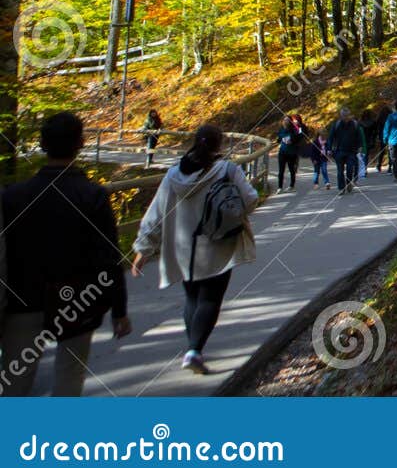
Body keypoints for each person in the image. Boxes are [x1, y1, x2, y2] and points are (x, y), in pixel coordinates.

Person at [0, 112, 132, 396]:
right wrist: (119, 310)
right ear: (80, 143)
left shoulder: (12, 196)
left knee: (14, 382)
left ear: (43, 144)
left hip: (22, 300)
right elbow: (109, 255)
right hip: (77, 299)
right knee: (69, 379)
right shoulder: (91, 195)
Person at [131, 124, 259, 375]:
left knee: (192, 297)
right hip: (218, 243)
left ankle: (193, 348)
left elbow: (156, 213)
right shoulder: (228, 170)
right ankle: (194, 350)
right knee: (210, 297)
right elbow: (251, 198)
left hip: (183, 247)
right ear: (219, 144)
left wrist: (142, 250)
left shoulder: (173, 175)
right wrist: (234, 213)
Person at [326, 108, 364, 195]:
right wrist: (329, 149)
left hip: (351, 151)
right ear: (341, 116)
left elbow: (359, 136)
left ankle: (349, 183)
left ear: (349, 115)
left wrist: (360, 146)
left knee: (350, 169)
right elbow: (331, 137)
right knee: (340, 170)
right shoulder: (336, 125)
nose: (346, 118)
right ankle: (341, 188)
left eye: (347, 116)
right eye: (344, 116)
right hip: (339, 151)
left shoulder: (354, 124)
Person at [275, 113, 308, 191]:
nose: (286, 122)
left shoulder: (294, 130)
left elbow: (300, 136)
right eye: (284, 120)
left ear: (290, 121)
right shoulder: (281, 129)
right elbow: (278, 139)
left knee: (292, 170)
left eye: (287, 120)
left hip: (292, 152)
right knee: (281, 170)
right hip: (282, 152)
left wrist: (292, 141)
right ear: (282, 121)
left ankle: (291, 186)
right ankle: (279, 187)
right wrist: (280, 140)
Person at [359, 108, 381, 180]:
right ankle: (364, 169)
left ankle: (363, 169)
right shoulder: (373, 122)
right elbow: (376, 131)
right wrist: (374, 138)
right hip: (369, 140)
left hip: (362, 140)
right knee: (366, 155)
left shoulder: (360, 122)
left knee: (362, 155)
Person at [371, 104, 393, 173]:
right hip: (390, 135)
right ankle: (390, 166)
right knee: (390, 150)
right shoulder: (391, 117)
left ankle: (379, 165)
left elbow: (376, 127)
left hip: (382, 135)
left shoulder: (380, 117)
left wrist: (376, 135)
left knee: (382, 150)